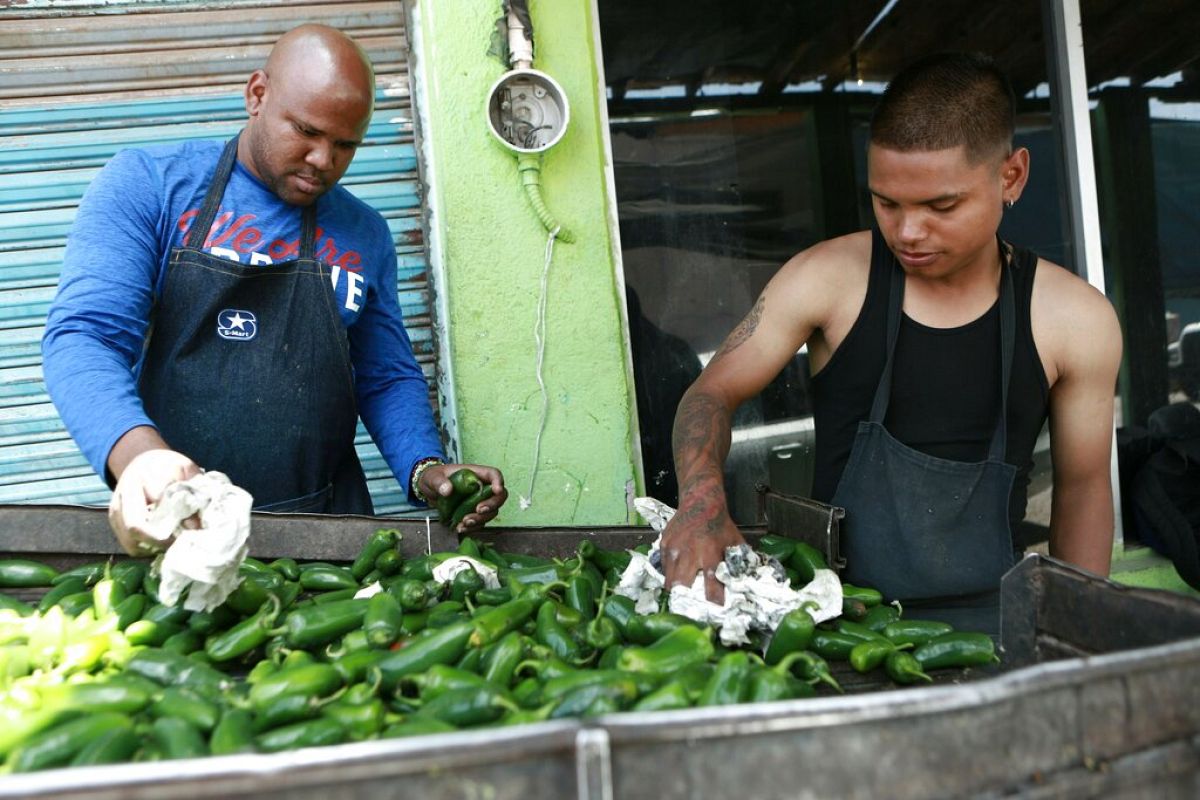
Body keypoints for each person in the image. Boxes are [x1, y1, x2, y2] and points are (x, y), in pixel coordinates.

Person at [661, 52, 1122, 634]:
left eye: (940, 206)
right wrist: (701, 501)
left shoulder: (1074, 318)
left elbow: (1082, 488)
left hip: (988, 627)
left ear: (1011, 176)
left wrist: (1079, 634)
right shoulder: (828, 279)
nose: (908, 232)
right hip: (827, 617)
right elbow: (711, 393)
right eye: (887, 202)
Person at [41, 24, 507, 554]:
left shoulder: (365, 233)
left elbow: (385, 376)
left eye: (345, 145)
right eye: (306, 131)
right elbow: (86, 337)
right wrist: (140, 456)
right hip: (182, 526)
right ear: (257, 94)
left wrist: (427, 468)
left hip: (328, 532)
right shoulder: (152, 186)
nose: (323, 160)